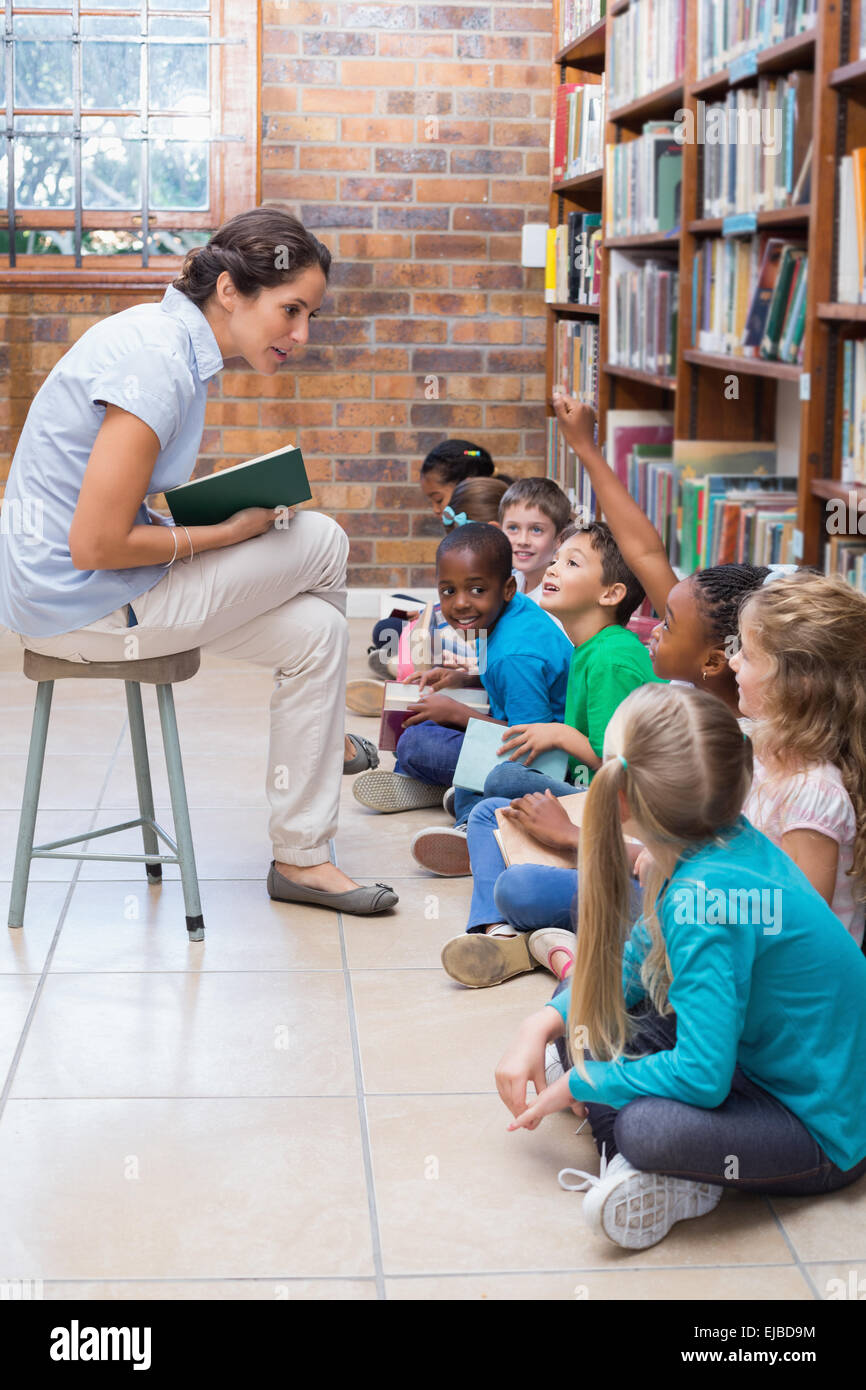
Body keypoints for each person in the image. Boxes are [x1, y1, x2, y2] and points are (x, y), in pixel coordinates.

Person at [0, 206, 395, 917]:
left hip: (91, 592)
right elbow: (93, 544)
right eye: (292, 310)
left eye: (311, 316)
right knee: (323, 539)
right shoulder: (158, 364)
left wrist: (217, 524)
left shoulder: (164, 342)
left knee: (319, 635)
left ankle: (301, 857)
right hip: (84, 603)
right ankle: (327, 738)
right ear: (228, 293)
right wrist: (227, 533)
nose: (301, 335)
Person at [497, 683, 866, 1251]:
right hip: (757, 1056)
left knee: (643, 1127)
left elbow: (702, 1076)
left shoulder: (706, 897)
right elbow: (630, 959)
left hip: (821, 1126)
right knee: (586, 1030)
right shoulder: (717, 842)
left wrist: (586, 1079)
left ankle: (665, 1175)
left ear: (621, 800)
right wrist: (541, 1022)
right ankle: (652, 1151)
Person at [426, 520, 657, 987]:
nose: (552, 568)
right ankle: (498, 929)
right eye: (557, 560)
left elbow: (629, 771)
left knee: (504, 781)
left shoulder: (612, 658)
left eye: (571, 563)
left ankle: (497, 856)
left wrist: (564, 738)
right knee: (492, 808)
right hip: (584, 800)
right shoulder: (589, 647)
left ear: (611, 593)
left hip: (614, 812)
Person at [350, 523, 573, 817]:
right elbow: (508, 679)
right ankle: (440, 783)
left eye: (477, 589)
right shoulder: (510, 611)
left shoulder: (514, 654)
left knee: (415, 744)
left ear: (508, 589)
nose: (461, 603)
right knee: (418, 723)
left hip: (546, 765)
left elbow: (533, 745)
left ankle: (453, 795)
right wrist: (463, 678)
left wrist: (458, 715)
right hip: (511, 726)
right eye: (448, 591)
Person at [730, 571, 866, 944]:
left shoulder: (814, 793)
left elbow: (798, 927)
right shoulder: (758, 744)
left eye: (747, 654)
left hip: (785, 990)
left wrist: (701, 888)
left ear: (797, 683)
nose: (733, 663)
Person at [498, 477, 573, 603]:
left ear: (559, 538)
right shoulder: (511, 582)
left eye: (536, 530)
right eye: (513, 528)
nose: (522, 541)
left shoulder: (559, 600)